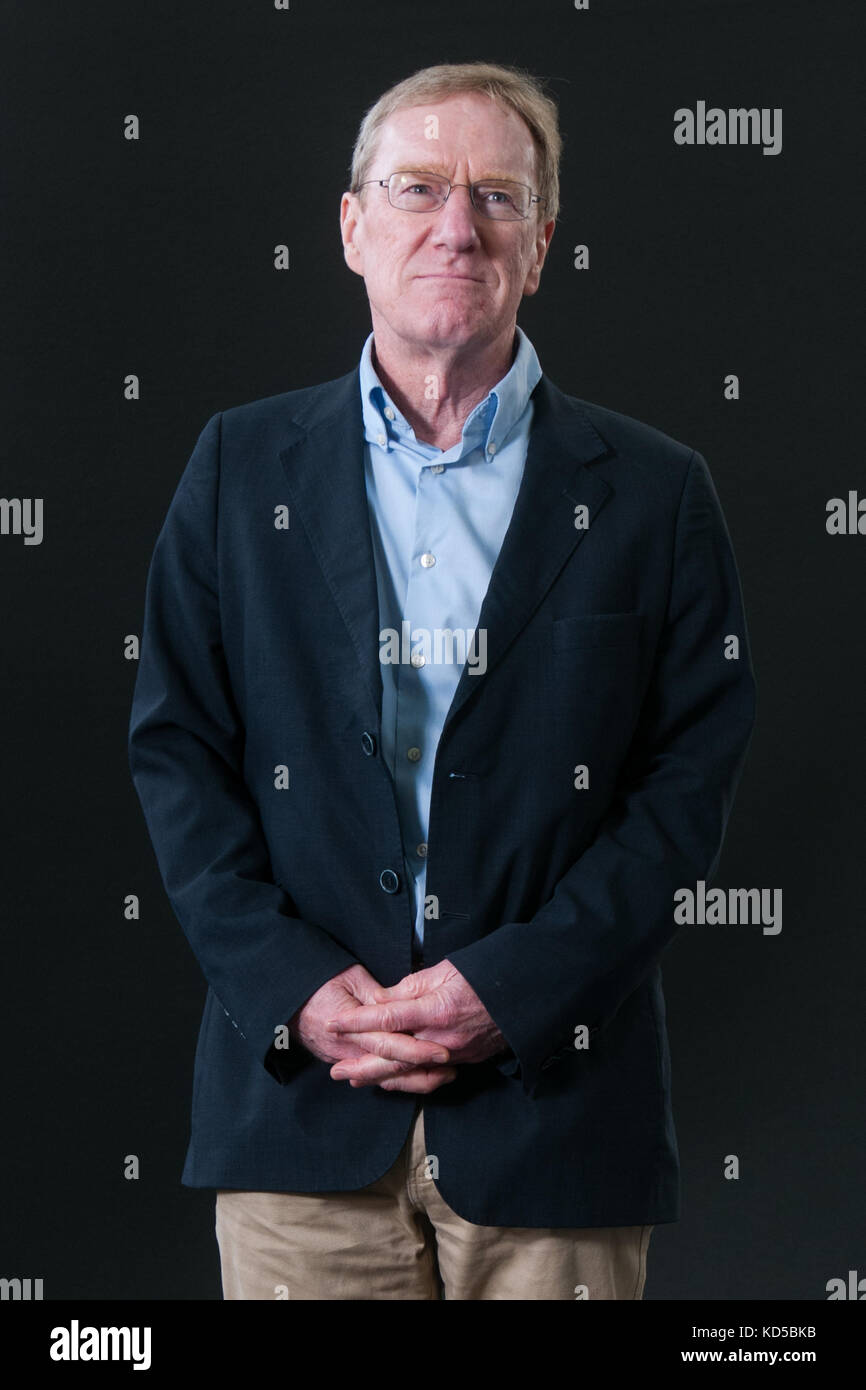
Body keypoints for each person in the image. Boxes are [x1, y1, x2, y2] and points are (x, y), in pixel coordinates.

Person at [128, 61, 757, 1300]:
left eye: (496, 196)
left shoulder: (654, 491)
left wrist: (508, 991)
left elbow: (681, 794)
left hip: (555, 1115)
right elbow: (177, 752)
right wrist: (296, 990)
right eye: (415, 187)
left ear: (543, 242)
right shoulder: (236, 464)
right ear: (352, 227)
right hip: (300, 1115)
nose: (454, 225)